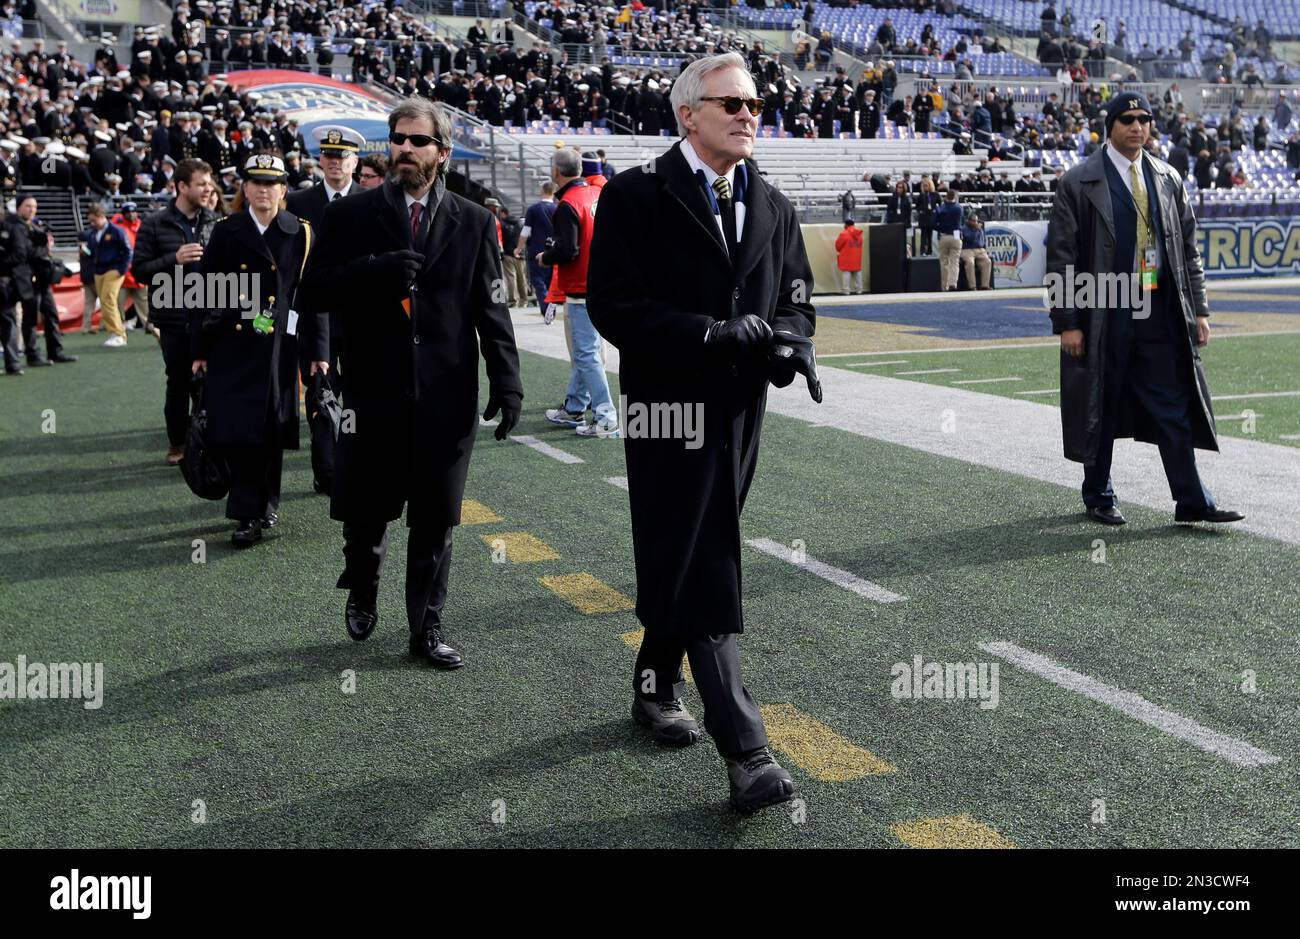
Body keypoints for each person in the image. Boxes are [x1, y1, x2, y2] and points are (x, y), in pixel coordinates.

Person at [587, 52, 820, 813]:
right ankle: (747, 750)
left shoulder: (776, 203)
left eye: (755, 103)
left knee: (687, 549)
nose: (750, 114)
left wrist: (789, 341)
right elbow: (612, 307)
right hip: (667, 411)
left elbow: (796, 298)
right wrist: (710, 334)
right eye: (732, 104)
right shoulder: (634, 197)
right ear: (689, 113)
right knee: (706, 560)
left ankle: (654, 683)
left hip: (742, 414)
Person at [300, 97, 523, 670]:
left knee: (436, 518)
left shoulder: (475, 221)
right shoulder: (350, 216)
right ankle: (363, 584)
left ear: (441, 153)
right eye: (397, 138)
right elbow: (313, 293)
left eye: (417, 141)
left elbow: (491, 309)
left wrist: (508, 381)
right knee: (366, 508)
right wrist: (372, 271)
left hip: (446, 396)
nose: (403, 148)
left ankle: (426, 627)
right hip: (373, 392)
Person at [1047, 91, 1243, 527]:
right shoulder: (1077, 182)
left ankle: (1192, 499)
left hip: (1159, 308)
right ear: (1109, 126)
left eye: (1144, 119)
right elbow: (1061, 257)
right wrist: (1067, 322)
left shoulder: (1168, 177)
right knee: (1103, 401)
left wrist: (1201, 310)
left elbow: (1189, 252)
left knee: (1172, 404)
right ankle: (1099, 494)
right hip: (1105, 308)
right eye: (1127, 119)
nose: (1137, 126)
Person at [191, 151, 328, 547]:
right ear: (244, 188)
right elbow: (204, 292)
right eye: (256, 182)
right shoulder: (226, 231)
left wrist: (319, 350)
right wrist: (199, 348)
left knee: (272, 427)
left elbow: (311, 296)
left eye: (272, 183)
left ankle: (266, 502)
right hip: (232, 346)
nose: (263, 189)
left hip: (279, 348)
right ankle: (248, 512)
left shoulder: (300, 232)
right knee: (240, 430)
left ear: (283, 189)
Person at [287, 123, 364, 493]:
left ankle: (353, 461)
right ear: (320, 160)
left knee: (359, 398)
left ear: (355, 161)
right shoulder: (298, 203)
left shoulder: (373, 199)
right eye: (329, 155)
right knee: (319, 395)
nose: (335, 162)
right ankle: (327, 470)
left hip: (363, 320)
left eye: (342, 156)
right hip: (316, 321)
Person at [133, 158, 219, 465]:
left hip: (211, 316)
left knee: (212, 381)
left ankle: (209, 439)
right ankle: (178, 443)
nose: (208, 189)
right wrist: (174, 259)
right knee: (179, 382)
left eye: (209, 184)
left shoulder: (215, 221)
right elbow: (140, 271)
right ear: (182, 187)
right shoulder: (154, 223)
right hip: (174, 319)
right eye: (201, 184)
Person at [538, 148, 619, 438]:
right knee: (589, 352)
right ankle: (574, 407)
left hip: (580, 288)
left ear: (556, 172)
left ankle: (606, 415)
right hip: (602, 283)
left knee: (586, 355)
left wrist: (545, 258)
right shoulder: (596, 193)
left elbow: (567, 250)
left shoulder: (569, 202)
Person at [14, 195, 76, 366]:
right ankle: (33, 355)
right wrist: (45, 248)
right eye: (28, 206)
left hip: (42, 278)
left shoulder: (33, 226)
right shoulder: (16, 227)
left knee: (51, 315)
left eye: (34, 206)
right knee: (31, 318)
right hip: (27, 279)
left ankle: (55, 352)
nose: (32, 209)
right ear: (19, 207)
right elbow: (25, 253)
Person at [85, 204, 134, 347]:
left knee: (108, 299)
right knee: (105, 301)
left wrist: (122, 269)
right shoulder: (93, 233)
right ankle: (114, 332)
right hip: (99, 270)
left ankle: (119, 334)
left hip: (114, 269)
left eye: (94, 220)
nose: (92, 223)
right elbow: (92, 252)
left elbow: (128, 250)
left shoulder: (116, 230)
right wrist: (85, 252)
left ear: (101, 217)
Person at [111, 202, 150, 335]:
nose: (131, 214)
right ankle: (119, 329)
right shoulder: (119, 227)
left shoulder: (142, 226)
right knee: (118, 304)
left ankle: (150, 327)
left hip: (138, 273)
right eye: (128, 212)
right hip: (123, 274)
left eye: (133, 212)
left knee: (144, 305)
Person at [518, 180, 555, 310]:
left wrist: (519, 248)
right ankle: (551, 302)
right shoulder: (558, 208)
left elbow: (526, 231)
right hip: (554, 250)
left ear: (542, 191)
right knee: (550, 281)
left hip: (536, 250)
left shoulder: (533, 209)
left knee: (537, 280)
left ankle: (546, 306)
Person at [934, 187, 964, 290]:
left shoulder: (941, 208)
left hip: (944, 235)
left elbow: (933, 223)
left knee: (944, 262)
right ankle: (953, 284)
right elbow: (961, 222)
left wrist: (940, 228)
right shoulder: (959, 208)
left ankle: (944, 285)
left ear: (946, 197)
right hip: (955, 235)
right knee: (954, 262)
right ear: (954, 197)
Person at [959, 213, 992, 290]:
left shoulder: (980, 229)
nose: (975, 222)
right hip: (967, 249)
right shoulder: (964, 228)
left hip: (979, 250)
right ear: (969, 221)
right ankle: (972, 286)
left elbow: (983, 240)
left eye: (976, 221)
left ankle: (985, 285)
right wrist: (977, 230)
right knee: (970, 263)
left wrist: (984, 248)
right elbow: (970, 238)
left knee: (987, 262)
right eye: (973, 221)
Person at [835, 217, 863, 294]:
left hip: (846, 257)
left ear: (846, 225)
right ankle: (859, 289)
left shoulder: (844, 234)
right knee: (857, 273)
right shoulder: (859, 234)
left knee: (846, 273)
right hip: (857, 256)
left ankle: (846, 290)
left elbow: (838, 246)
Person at [915, 176, 940, 255]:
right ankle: (922, 251)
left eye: (927, 185)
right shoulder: (921, 195)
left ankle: (930, 251)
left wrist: (936, 210)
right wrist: (920, 211)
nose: (925, 187)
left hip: (931, 218)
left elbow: (940, 203)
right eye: (924, 185)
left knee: (930, 236)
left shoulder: (935, 194)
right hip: (923, 218)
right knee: (923, 236)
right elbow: (917, 206)